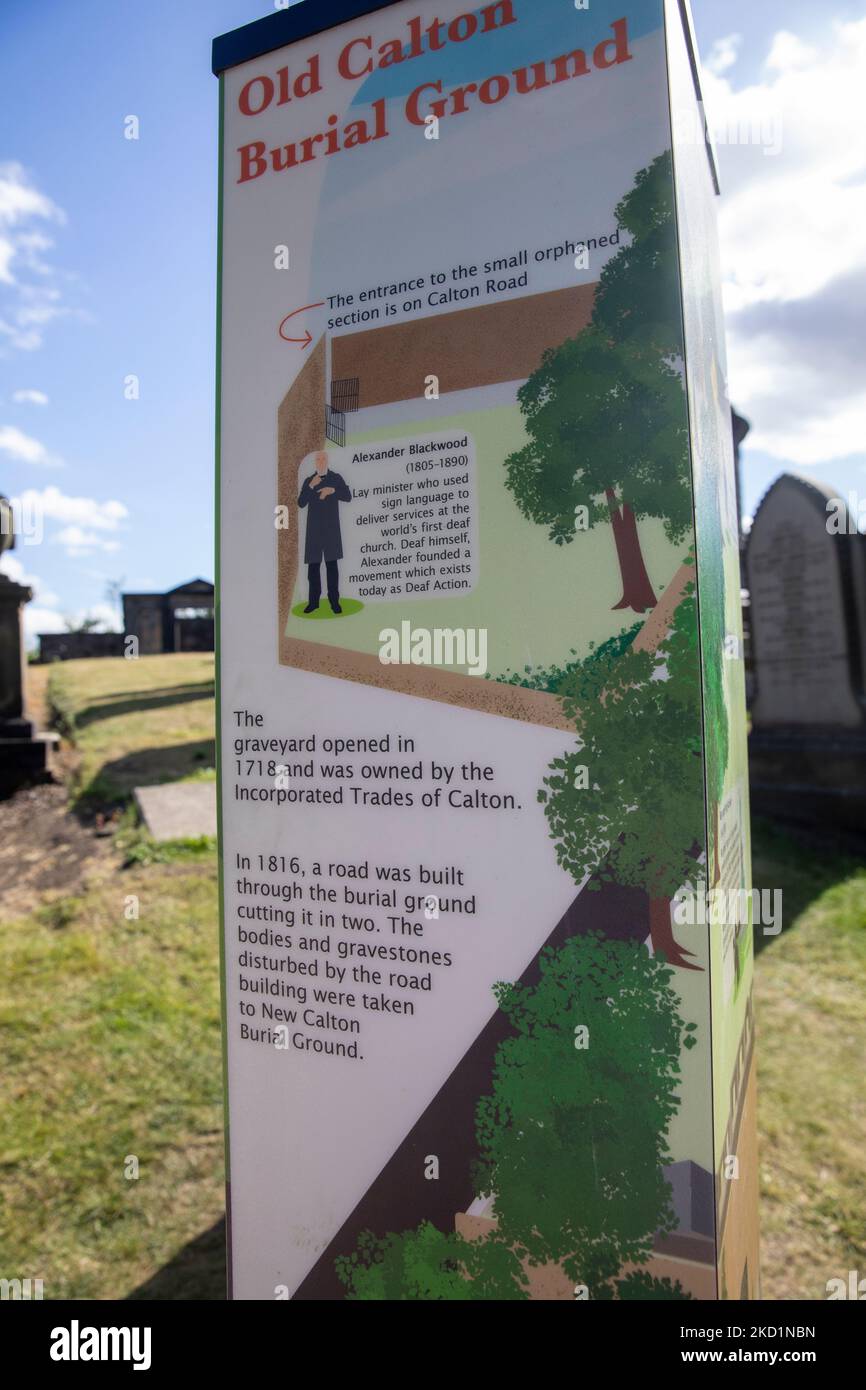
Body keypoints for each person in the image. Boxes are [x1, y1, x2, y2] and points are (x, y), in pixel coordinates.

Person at [297, 450, 352, 614]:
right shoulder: (309, 480)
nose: (321, 461)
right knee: (313, 568)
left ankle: (334, 602)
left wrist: (332, 491)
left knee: (332, 567)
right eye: (318, 459)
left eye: (323, 459)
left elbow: (348, 496)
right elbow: (301, 503)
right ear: (315, 462)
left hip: (331, 530)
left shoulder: (335, 478)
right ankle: (313, 602)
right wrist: (311, 486)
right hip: (313, 531)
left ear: (327, 461)